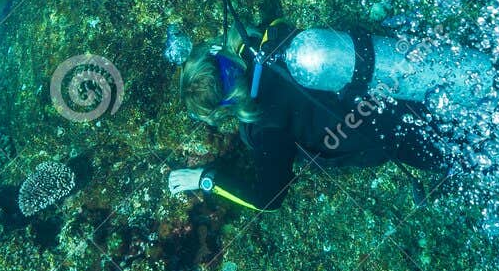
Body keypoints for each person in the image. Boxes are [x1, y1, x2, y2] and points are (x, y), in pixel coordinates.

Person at [166, 12, 480, 212]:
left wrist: (205, 178)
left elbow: (268, 199)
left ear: (225, 107)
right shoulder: (269, 46)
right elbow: (276, 26)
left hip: (402, 135)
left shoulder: (266, 129)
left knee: (480, 155)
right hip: (401, 76)